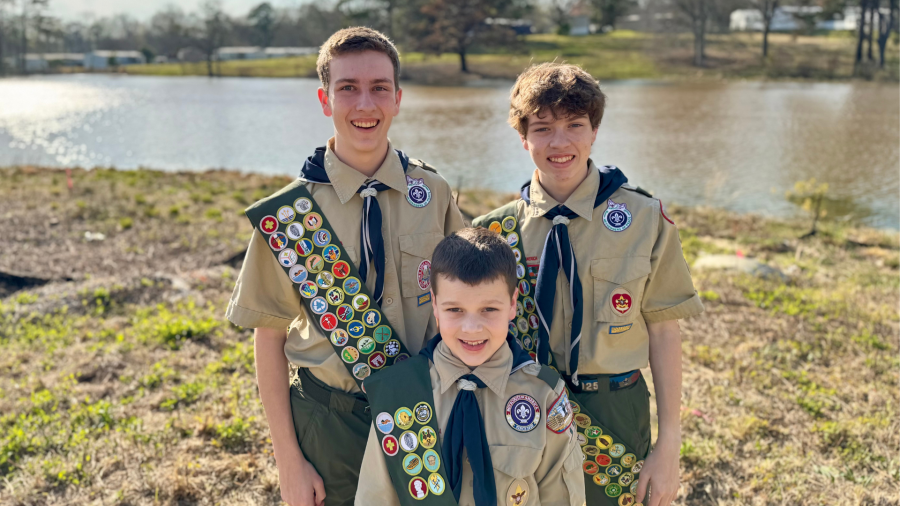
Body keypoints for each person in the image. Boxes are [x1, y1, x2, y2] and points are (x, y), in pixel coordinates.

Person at [226, 27, 466, 506]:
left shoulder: (433, 193)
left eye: (379, 88)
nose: (365, 104)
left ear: (397, 99)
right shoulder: (292, 215)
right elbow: (268, 337)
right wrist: (288, 460)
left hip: (423, 412)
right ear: (325, 99)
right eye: (348, 88)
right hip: (329, 421)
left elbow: (465, 302)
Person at [473, 63, 704, 506]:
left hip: (615, 413)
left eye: (574, 125)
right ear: (523, 137)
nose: (559, 143)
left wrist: (669, 444)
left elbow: (663, 331)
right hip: (522, 408)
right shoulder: (495, 233)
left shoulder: (643, 219)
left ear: (594, 130)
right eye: (543, 128)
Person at [356, 228, 586, 506]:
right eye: (455, 310)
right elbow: (376, 497)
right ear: (435, 305)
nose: (472, 328)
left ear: (512, 304)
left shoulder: (544, 394)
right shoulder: (400, 393)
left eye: (489, 309)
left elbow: (561, 497)